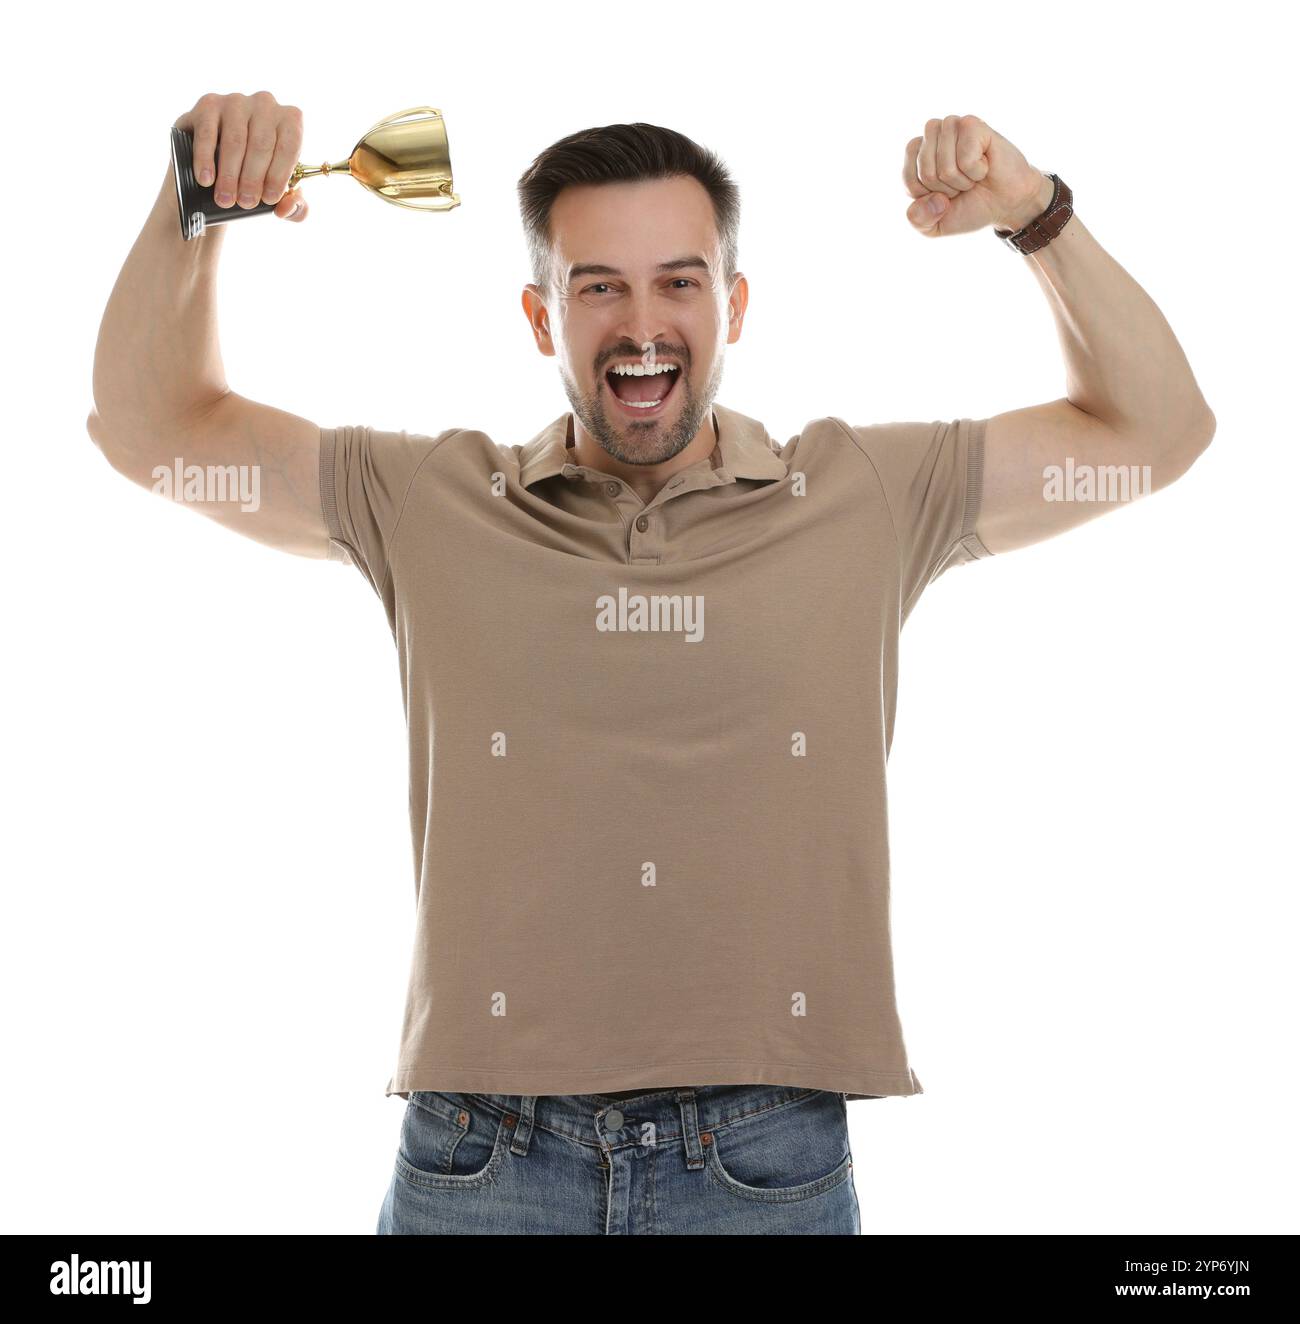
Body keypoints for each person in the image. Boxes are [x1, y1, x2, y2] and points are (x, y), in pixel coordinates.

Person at [88, 93, 1215, 1236]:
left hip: (762, 1157)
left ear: (732, 306)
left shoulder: (866, 495)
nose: (642, 325)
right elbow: (149, 430)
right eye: (598, 287)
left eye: (679, 282)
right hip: (482, 1158)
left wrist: (1032, 214)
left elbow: (1158, 432)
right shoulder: (427, 502)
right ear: (540, 317)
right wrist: (192, 203)